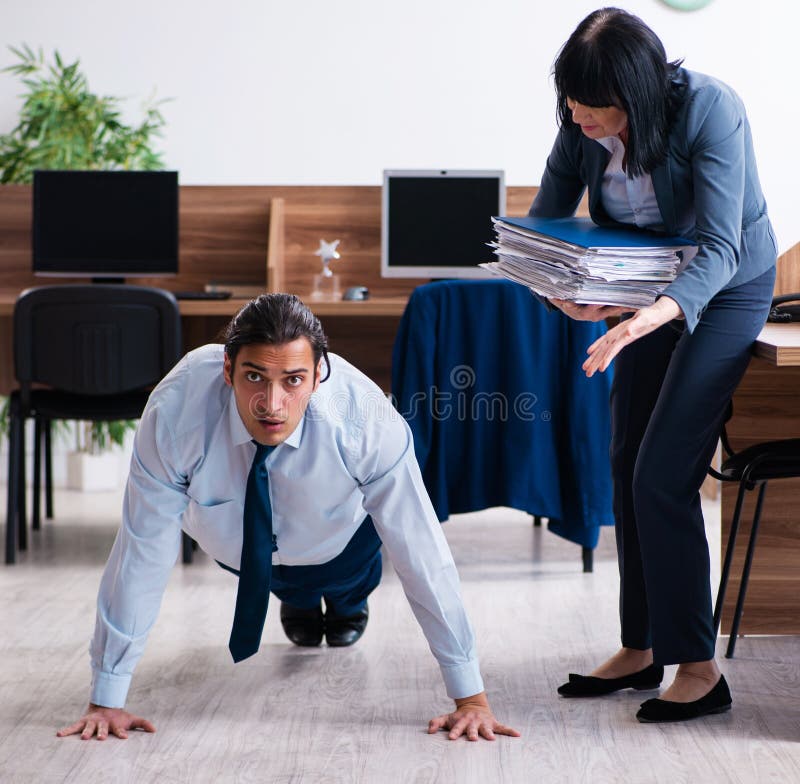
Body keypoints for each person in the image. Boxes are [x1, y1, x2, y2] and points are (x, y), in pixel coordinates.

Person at [57, 293, 519, 743]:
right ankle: (294, 598)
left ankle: (347, 600)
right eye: (255, 376)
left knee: (345, 587)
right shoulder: (176, 414)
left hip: (339, 542)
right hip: (239, 548)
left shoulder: (363, 422)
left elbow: (420, 550)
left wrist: (470, 697)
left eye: (293, 380)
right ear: (227, 369)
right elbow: (141, 551)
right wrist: (106, 697)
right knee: (285, 586)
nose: (271, 404)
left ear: (319, 375)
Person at [530, 8, 777, 722]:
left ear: (636, 94)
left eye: (592, 104)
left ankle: (699, 667)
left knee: (663, 471)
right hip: (640, 288)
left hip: (725, 286)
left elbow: (722, 248)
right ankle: (641, 647)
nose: (577, 116)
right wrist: (565, 293)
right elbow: (548, 223)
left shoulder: (711, 109)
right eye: (569, 100)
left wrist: (656, 312)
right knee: (626, 457)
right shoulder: (579, 124)